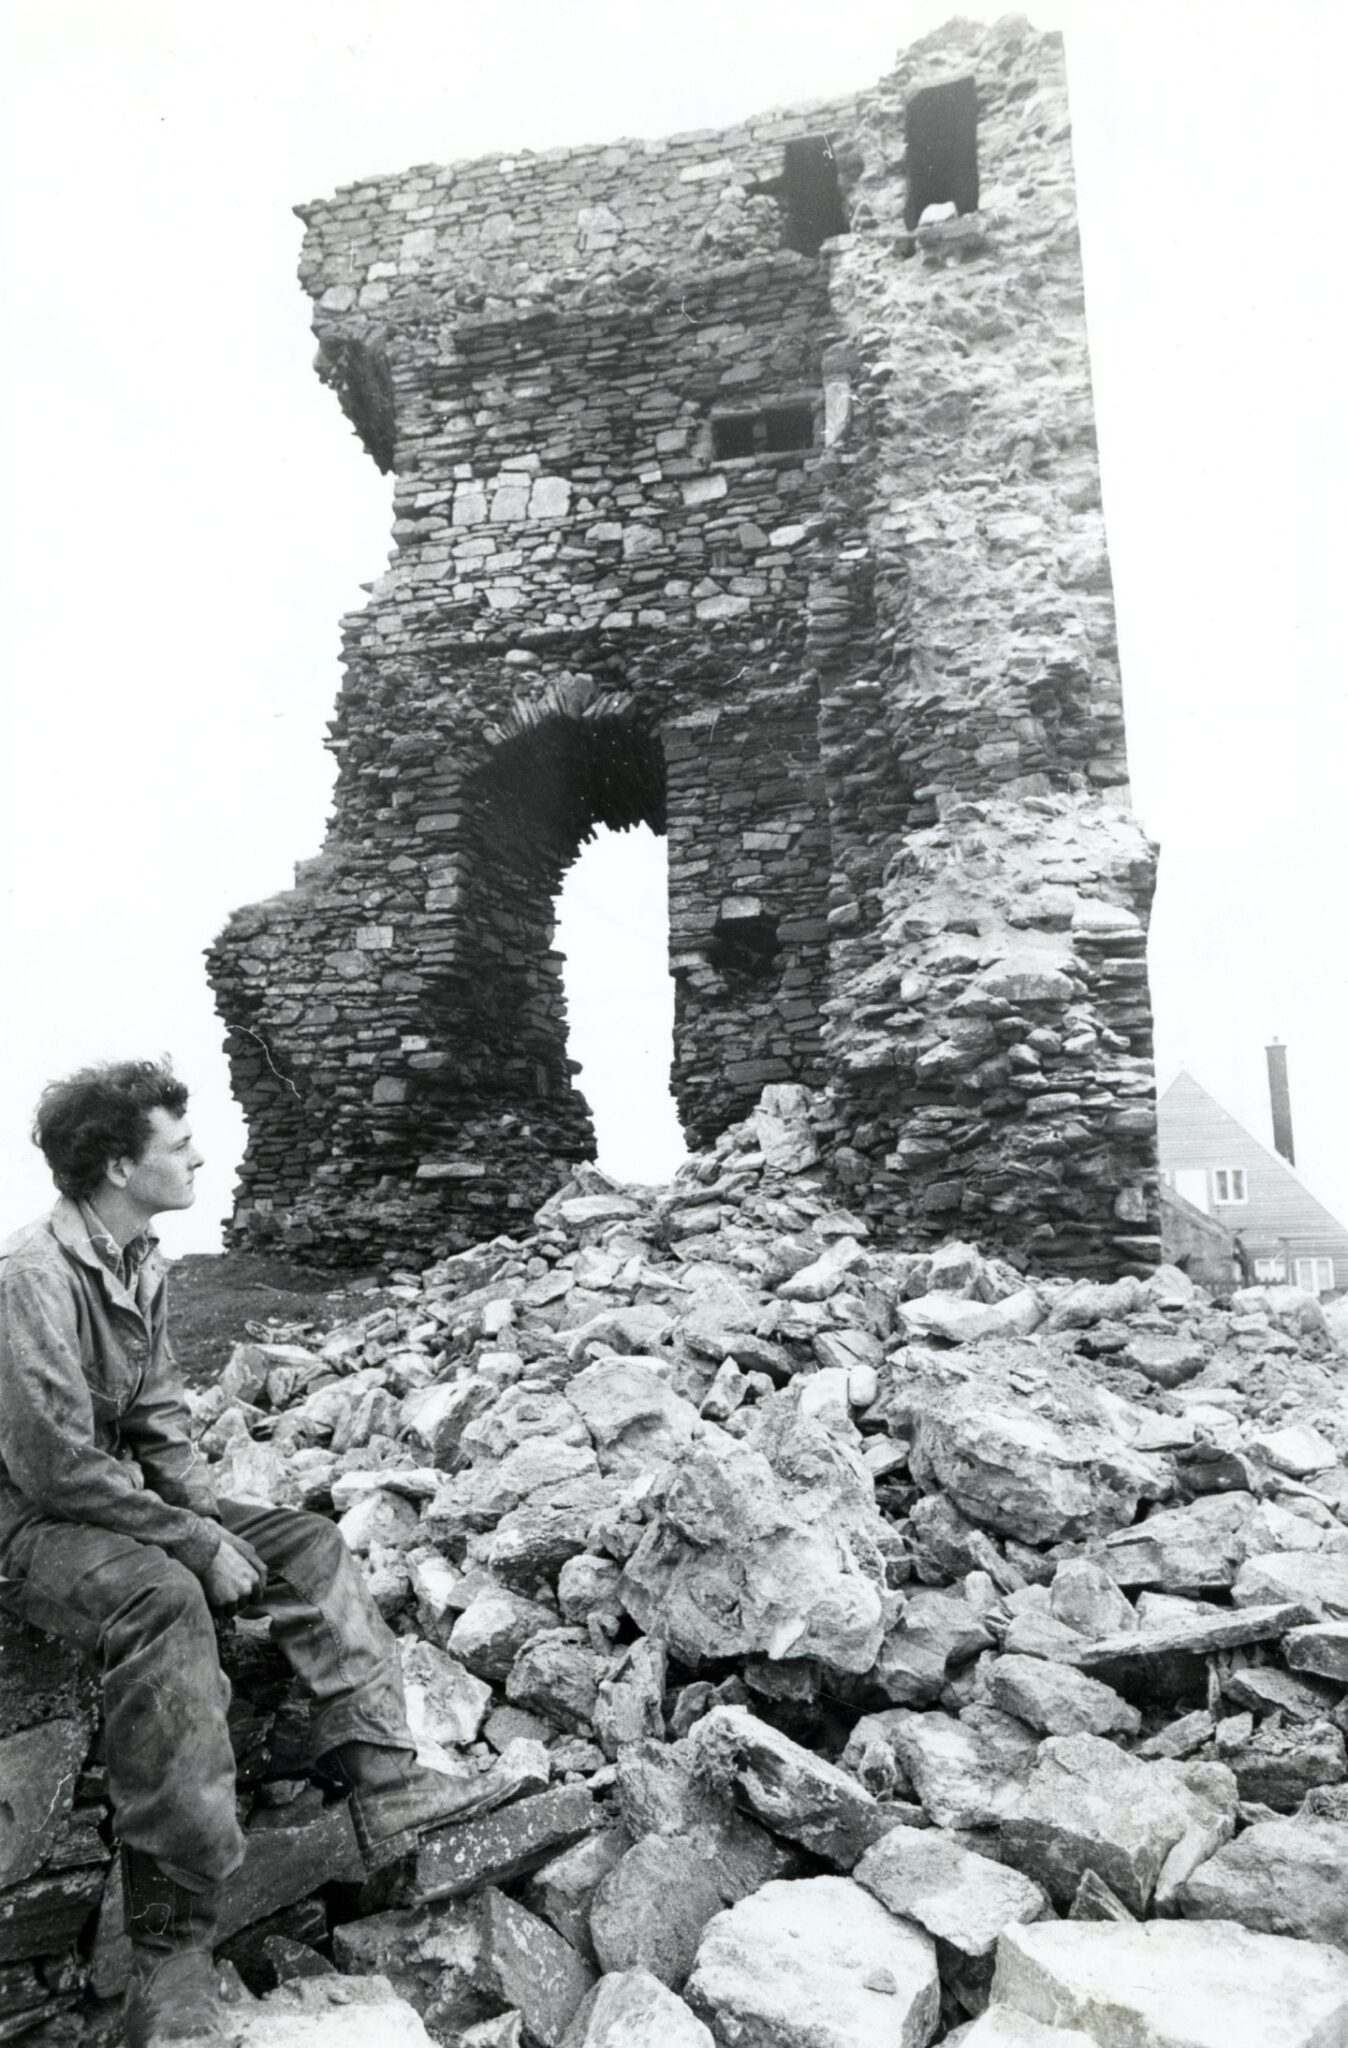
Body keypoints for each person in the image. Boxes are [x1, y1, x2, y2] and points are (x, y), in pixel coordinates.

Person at [0, 1061, 474, 2048]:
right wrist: (192, 1543)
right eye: (179, 1143)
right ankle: (171, 1966)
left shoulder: (140, 1261)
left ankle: (385, 1788)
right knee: (166, 1599)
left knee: (300, 1539)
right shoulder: (30, 1277)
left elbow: (164, 1419)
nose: (201, 1156)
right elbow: (53, 1464)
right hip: (34, 1526)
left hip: (116, 1504)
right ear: (121, 1162)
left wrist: (214, 1518)